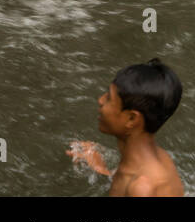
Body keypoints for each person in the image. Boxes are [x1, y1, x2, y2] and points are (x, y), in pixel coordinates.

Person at [67, 58, 185, 196]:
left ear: (131, 119)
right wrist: (101, 170)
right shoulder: (159, 157)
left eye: (109, 98)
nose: (100, 100)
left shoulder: (141, 188)